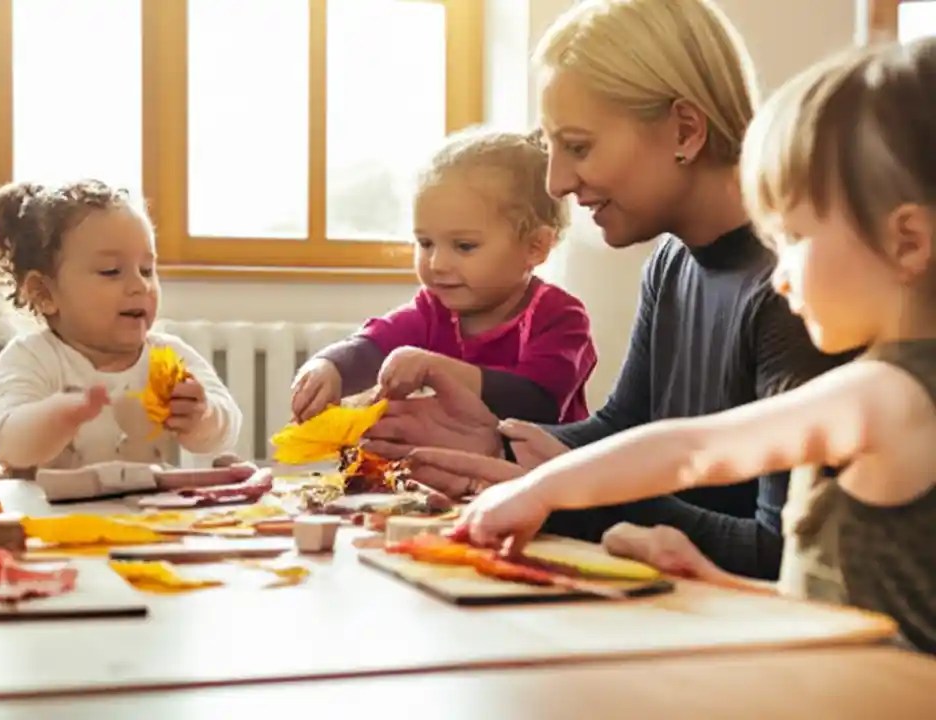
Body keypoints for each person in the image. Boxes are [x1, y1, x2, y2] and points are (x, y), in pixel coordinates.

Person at [447, 39, 936, 653]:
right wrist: (720, 583)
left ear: (907, 242)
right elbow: (872, 616)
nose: (779, 273)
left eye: (795, 237)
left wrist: (539, 491)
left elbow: (692, 451)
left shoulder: (885, 395)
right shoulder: (885, 394)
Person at [364, 0, 849, 580]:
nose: (557, 183)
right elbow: (622, 427)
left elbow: (779, 551)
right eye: (553, 149)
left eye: (579, 147)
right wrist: (498, 447)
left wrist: (567, 494)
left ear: (685, 130)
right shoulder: (670, 262)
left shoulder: (801, 290)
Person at [291, 128, 596, 426]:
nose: (436, 263)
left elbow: (537, 403)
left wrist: (434, 368)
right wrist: (328, 367)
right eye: (425, 243)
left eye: (464, 246)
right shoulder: (431, 310)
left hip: (542, 472)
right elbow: (371, 346)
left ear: (535, 247)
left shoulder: (559, 317)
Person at [0, 180, 242, 473]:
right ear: (44, 293)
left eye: (146, 270)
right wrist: (62, 413)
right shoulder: (32, 357)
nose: (140, 285)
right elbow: (10, 444)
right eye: (111, 271)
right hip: (51, 516)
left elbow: (225, 430)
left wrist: (202, 416)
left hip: (147, 514)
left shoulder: (167, 355)